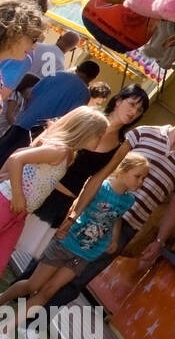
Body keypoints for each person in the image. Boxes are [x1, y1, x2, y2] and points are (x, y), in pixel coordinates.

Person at [59, 100, 175, 302]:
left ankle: (37, 317)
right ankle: (22, 298)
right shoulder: (144, 133)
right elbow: (110, 166)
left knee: (82, 276)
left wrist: (159, 241)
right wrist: (83, 199)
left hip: (130, 224)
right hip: (101, 206)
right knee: (59, 255)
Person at [0, 153, 148, 339]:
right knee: (33, 284)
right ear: (122, 171)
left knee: (48, 292)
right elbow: (78, 203)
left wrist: (113, 238)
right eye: (138, 176)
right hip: (65, 243)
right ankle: (2, 299)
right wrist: (65, 223)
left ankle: (5, 330)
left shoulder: (128, 200)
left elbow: (115, 218)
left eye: (143, 178)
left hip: (86, 253)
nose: (141, 182)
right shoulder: (99, 187)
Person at [14, 84, 149, 280]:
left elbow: (96, 181)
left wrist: (74, 215)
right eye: (131, 104)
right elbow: (48, 137)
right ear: (119, 100)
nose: (133, 112)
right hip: (35, 182)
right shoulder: (87, 114)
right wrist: (15, 169)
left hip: (62, 200)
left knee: (22, 245)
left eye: (139, 110)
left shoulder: (122, 145)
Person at [0, 106, 109, 275]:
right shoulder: (59, 151)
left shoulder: (68, 155)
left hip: (20, 212)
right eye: (99, 135)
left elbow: (32, 165)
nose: (100, 140)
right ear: (86, 131)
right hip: (8, 202)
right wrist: (17, 193)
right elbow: (17, 158)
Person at [0, 59, 99, 162]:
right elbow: (71, 119)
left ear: (78, 68)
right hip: (41, 133)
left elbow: (30, 95)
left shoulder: (56, 74)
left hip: (24, 119)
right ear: (92, 78)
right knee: (15, 161)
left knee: (3, 150)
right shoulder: (84, 94)